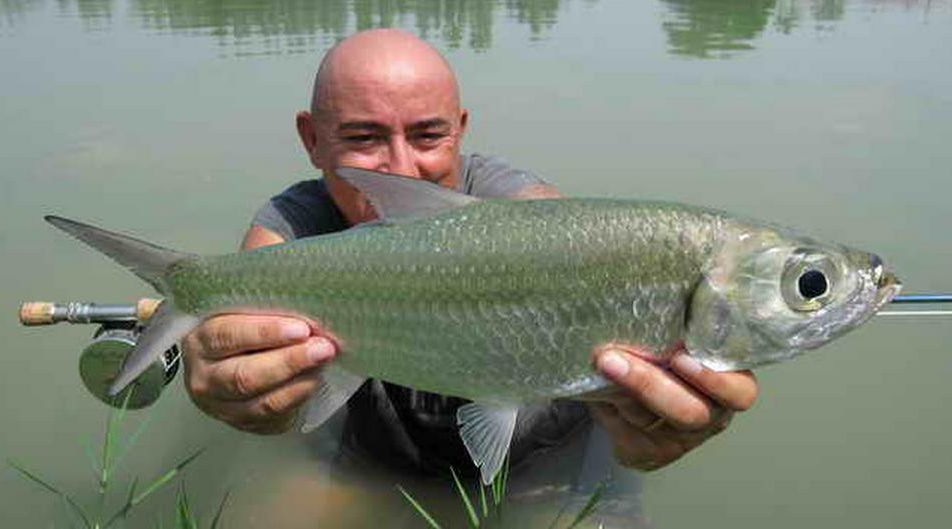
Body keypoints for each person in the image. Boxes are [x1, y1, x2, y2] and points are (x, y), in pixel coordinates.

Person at [180, 27, 757, 518]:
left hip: (556, 457)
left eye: (428, 135)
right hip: (381, 465)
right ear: (311, 138)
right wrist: (233, 380)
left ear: (460, 127)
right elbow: (242, 293)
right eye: (362, 138)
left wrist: (657, 422)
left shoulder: (511, 199)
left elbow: (563, 225)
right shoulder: (294, 220)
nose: (402, 166)